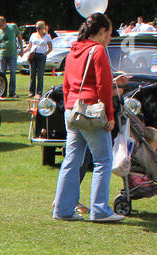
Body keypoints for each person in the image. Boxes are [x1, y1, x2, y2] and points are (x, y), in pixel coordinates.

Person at [52, 12, 122, 222]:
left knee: (71, 160)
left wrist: (69, 104)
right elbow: (103, 85)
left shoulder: (74, 50)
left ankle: (62, 210)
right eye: (108, 34)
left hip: (72, 110)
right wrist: (109, 115)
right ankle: (99, 210)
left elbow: (65, 83)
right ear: (101, 32)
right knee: (103, 159)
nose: (109, 39)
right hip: (91, 110)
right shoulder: (97, 50)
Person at [23, 21, 51, 96]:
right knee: (32, 74)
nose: (37, 30)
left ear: (43, 28)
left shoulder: (47, 36)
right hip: (33, 55)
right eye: (36, 28)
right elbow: (29, 46)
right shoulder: (33, 35)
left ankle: (39, 92)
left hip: (41, 56)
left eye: (39, 28)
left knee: (40, 75)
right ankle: (31, 92)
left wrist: (45, 54)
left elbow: (50, 48)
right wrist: (23, 52)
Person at [0, 15, 19, 97]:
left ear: (5, 22)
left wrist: (21, 50)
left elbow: (19, 37)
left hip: (12, 54)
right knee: (2, 74)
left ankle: (12, 92)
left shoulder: (13, 27)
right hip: (2, 55)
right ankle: (2, 92)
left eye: (0, 25)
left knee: (12, 72)